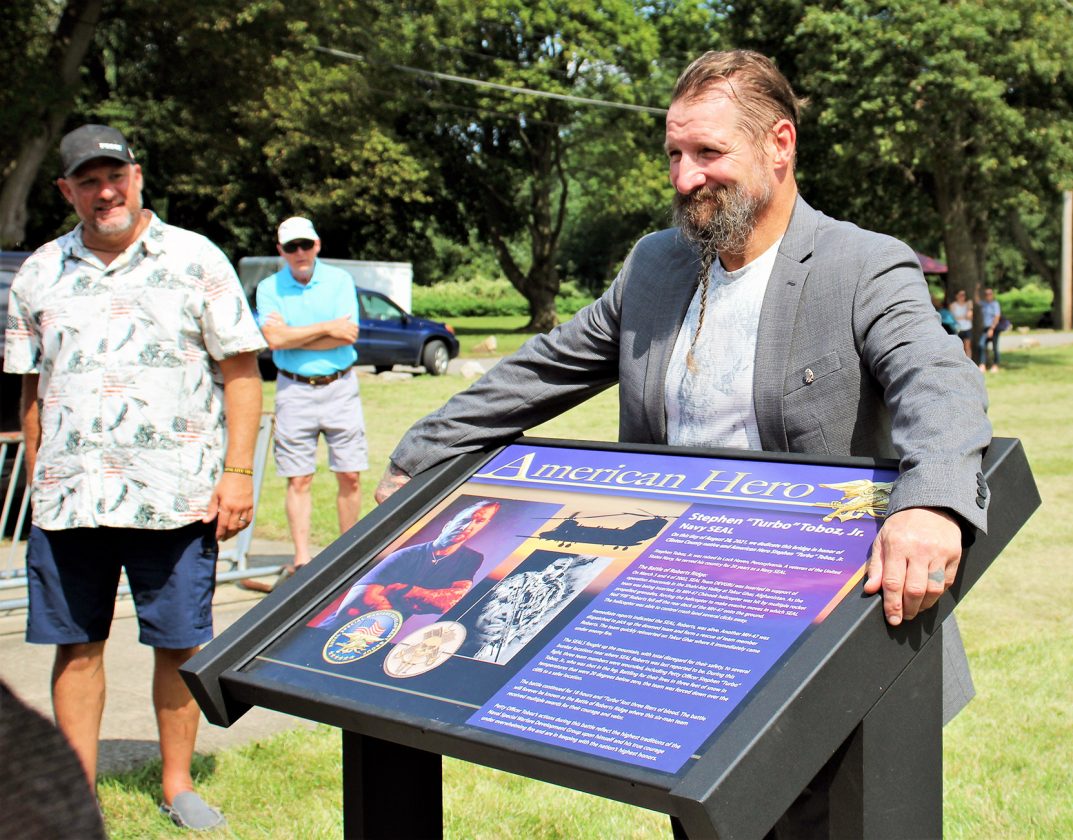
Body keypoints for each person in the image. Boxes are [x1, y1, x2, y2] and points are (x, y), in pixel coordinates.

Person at [373, 50, 992, 835]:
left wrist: (931, 502)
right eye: (673, 153)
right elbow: (542, 369)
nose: (683, 178)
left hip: (826, 638)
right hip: (688, 635)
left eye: (707, 153)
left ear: (779, 143)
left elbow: (937, 379)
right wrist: (419, 452)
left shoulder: (862, 265)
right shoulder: (655, 265)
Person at [4, 124, 266, 831]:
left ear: (138, 177)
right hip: (71, 498)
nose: (104, 192)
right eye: (86, 181)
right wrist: (38, 479)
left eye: (113, 176)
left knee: (178, 643)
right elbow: (32, 390)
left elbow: (241, 374)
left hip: (175, 494)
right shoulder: (39, 273)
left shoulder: (195, 260)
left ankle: (177, 784)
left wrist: (237, 475)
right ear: (66, 191)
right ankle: (77, 791)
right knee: (76, 645)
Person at [244, 216, 368, 590]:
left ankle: (349, 553)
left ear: (317, 245)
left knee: (349, 473)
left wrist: (296, 335)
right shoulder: (269, 286)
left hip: (339, 385)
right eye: (291, 247)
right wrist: (326, 328)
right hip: (293, 389)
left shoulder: (339, 280)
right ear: (280, 251)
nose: (299, 253)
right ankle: (302, 559)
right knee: (299, 477)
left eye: (305, 245)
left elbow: (348, 335)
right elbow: (274, 339)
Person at [317, 499, 500, 626]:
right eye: (466, 519)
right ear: (448, 524)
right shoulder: (405, 556)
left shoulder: (470, 559)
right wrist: (427, 597)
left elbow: (450, 602)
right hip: (335, 631)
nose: (468, 527)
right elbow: (356, 607)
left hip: (377, 637)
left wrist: (403, 590)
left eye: (479, 521)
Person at [977, 287, 1003, 372]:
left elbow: (997, 316)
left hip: (994, 328)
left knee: (995, 347)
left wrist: (991, 329)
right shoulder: (984, 303)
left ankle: (996, 365)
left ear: (992, 295)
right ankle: (982, 365)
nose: (988, 295)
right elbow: (976, 300)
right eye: (986, 294)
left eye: (990, 294)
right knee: (981, 345)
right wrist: (976, 290)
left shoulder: (995, 304)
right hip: (985, 328)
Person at [949, 287, 974, 357]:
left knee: (967, 347)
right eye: (960, 295)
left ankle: (969, 364)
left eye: (963, 295)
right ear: (956, 296)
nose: (962, 296)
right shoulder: (953, 305)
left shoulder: (968, 303)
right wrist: (964, 317)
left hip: (967, 328)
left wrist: (960, 317)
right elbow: (952, 318)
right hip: (957, 329)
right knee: (958, 348)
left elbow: (969, 317)